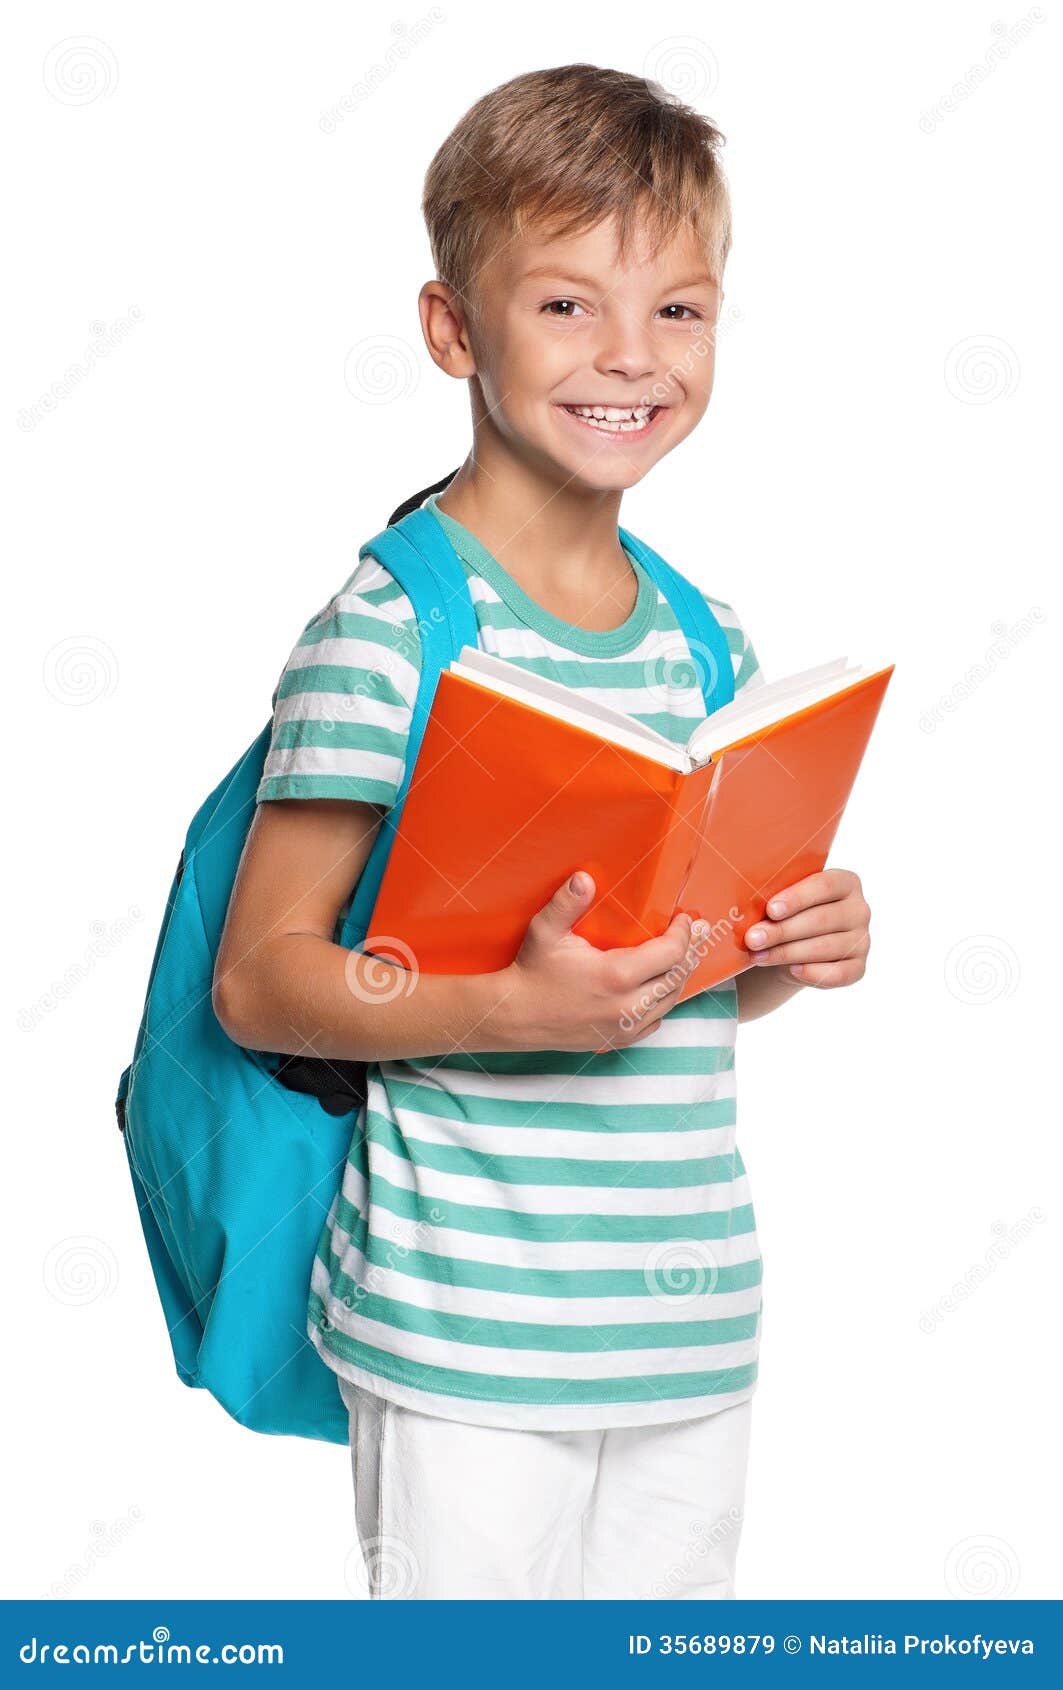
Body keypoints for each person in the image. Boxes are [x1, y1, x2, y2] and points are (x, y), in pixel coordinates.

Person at [213, 63, 872, 1601]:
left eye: (680, 311)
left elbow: (686, 970)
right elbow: (259, 982)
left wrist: (787, 944)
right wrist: (510, 1009)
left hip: (691, 1324)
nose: (630, 358)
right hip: (464, 1334)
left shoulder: (708, 643)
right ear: (453, 328)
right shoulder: (387, 632)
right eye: (567, 306)